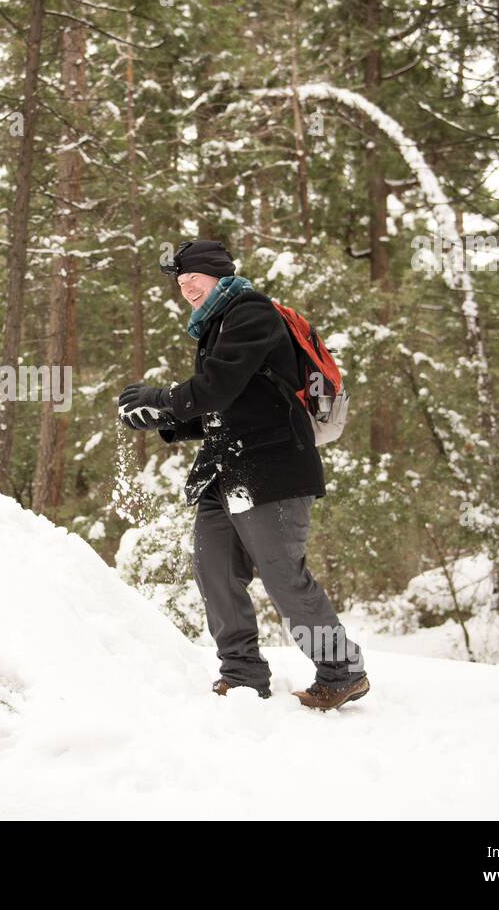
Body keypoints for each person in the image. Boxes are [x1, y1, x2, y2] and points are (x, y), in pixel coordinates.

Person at [117, 239, 369, 711]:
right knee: (214, 570)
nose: (186, 285)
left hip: (272, 469)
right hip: (225, 470)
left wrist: (161, 398)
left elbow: (216, 387)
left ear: (219, 274)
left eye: (194, 275)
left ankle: (341, 670)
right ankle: (243, 674)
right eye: (180, 279)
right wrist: (160, 417)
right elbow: (225, 406)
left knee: (282, 576)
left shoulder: (250, 312)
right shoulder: (215, 327)